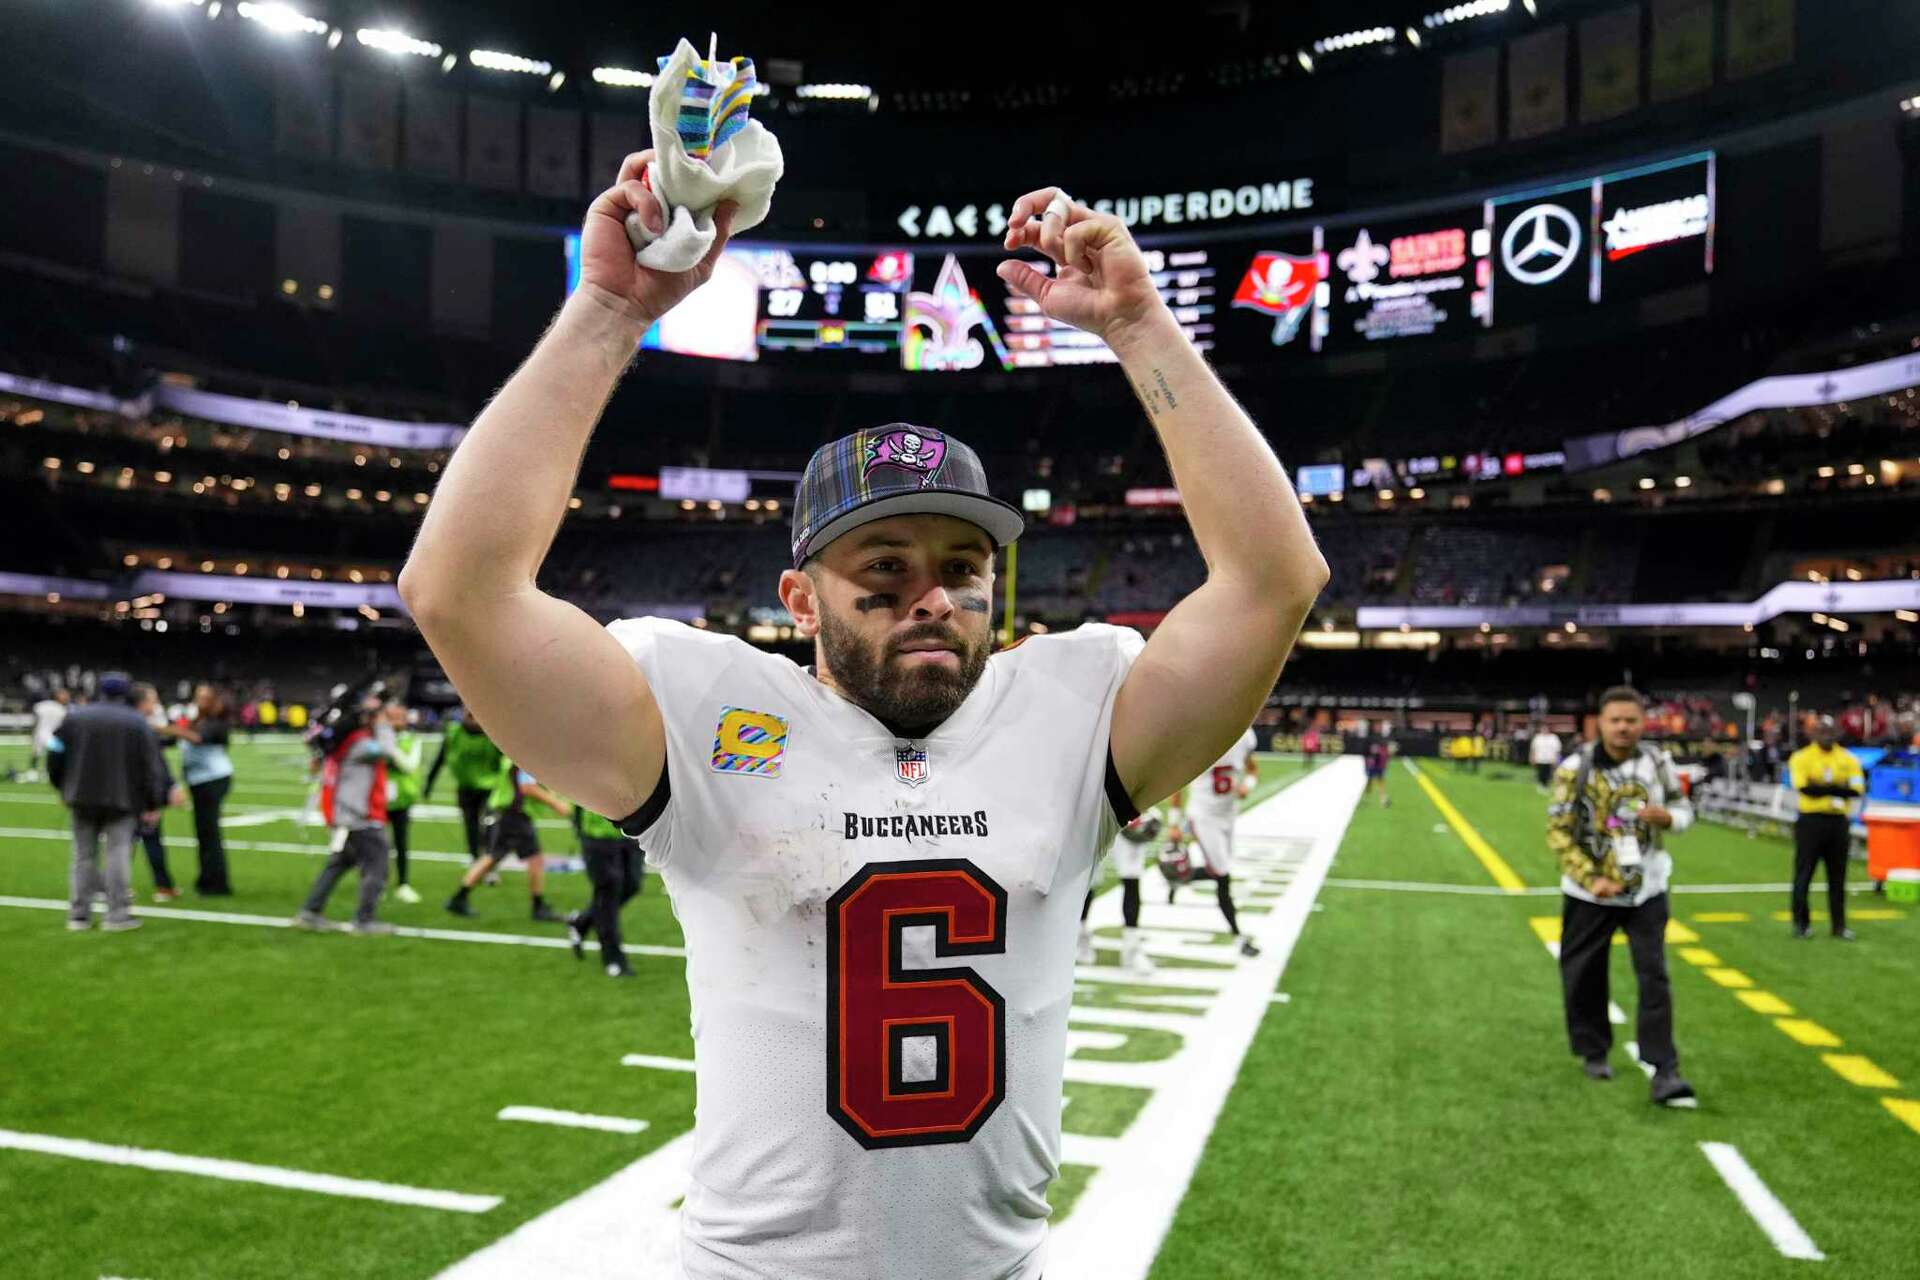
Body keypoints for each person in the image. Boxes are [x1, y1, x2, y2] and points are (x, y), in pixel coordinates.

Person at [397, 159, 1327, 1279]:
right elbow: (460, 592)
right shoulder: (706, 715)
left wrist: (1138, 324)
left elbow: (1274, 581)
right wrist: (608, 312)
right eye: (883, 569)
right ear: (802, 599)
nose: (932, 595)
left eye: (963, 565)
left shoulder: (1072, 711)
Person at [1547, 686, 1697, 1107]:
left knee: (1654, 976)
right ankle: (1594, 1049)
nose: (1623, 728)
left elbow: (1686, 810)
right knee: (1583, 974)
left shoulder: (1657, 762)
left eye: (1631, 720)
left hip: (1646, 888)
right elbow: (1557, 832)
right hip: (1588, 892)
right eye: (1615, 720)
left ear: (1642, 723)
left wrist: (1670, 818)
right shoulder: (1574, 769)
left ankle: (1664, 1068)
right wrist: (1591, 878)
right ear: (1600, 723)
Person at [45, 672, 170, 932]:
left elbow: (55, 752)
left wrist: (62, 786)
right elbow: (150, 767)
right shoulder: (136, 722)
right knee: (117, 853)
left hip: (81, 795)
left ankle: (79, 915)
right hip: (122, 798)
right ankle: (117, 915)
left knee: (83, 856)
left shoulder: (76, 716)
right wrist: (152, 802)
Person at [294, 695, 398, 935]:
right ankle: (365, 920)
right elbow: (389, 751)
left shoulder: (348, 742)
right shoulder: (361, 744)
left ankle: (309, 911)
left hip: (347, 815)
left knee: (338, 864)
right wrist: (382, 723)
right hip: (360, 818)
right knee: (377, 866)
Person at [1174, 726, 1262, 957]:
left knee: (1219, 870)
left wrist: (1248, 786)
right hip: (1204, 817)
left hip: (1228, 814)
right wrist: (1175, 823)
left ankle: (1180, 878)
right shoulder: (1201, 735)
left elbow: (1252, 769)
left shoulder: (1245, 735)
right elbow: (1177, 781)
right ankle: (1239, 937)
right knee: (1223, 875)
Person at [444, 761, 571, 922]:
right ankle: (538, 907)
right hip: (515, 814)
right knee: (534, 858)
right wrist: (556, 803)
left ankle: (459, 897)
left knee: (494, 856)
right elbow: (527, 787)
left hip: (510, 812)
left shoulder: (517, 752)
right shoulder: (524, 755)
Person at [1787, 715, 1865, 940]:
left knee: (1838, 877)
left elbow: (1856, 789)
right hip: (1811, 821)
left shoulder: (1849, 758)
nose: (1826, 736)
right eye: (1822, 731)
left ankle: (1839, 926)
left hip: (1838, 823)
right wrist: (1837, 787)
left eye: (1830, 732)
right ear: (1813, 734)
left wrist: (1821, 786)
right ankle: (1801, 924)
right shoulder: (1801, 757)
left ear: (1837, 733)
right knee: (1804, 874)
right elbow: (1804, 788)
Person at [162, 684, 235, 895]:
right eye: (198, 696)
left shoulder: (218, 722)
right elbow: (176, 739)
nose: (200, 700)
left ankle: (217, 884)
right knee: (204, 833)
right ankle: (206, 879)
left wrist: (164, 728)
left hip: (213, 779)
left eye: (205, 697)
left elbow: (198, 738)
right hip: (199, 781)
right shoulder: (197, 719)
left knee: (209, 833)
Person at [1077, 811, 1162, 975]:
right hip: (1095, 810)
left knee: (1132, 878)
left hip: (1124, 807)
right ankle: (1079, 940)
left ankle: (1132, 949)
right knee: (1088, 879)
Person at [567, 805, 646, 978]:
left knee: (632, 884)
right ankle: (613, 958)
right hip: (597, 832)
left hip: (629, 827)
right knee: (607, 895)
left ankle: (583, 922)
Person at [425, 709, 505, 864]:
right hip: (466, 787)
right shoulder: (454, 733)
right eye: (470, 714)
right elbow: (440, 759)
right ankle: (475, 859)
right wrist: (429, 783)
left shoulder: (494, 733)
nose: (473, 719)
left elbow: (507, 761)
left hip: (490, 787)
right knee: (471, 825)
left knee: (491, 824)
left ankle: (489, 862)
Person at [130, 683, 186, 900]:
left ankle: (112, 886)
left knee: (124, 842)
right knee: (149, 839)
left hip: (121, 791)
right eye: (153, 699)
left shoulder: (134, 723)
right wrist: (162, 794)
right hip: (141, 793)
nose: (156, 704)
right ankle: (163, 887)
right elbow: (155, 764)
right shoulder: (141, 727)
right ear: (142, 702)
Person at [381, 700, 426, 905]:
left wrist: (391, 751)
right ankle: (378, 883)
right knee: (378, 845)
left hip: (402, 801)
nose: (396, 721)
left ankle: (403, 884)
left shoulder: (412, 739)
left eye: (399, 717)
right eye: (391, 717)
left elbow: (409, 765)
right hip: (378, 800)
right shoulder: (378, 738)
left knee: (401, 844)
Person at [29, 687, 70, 783]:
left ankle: (33, 772)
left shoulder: (42, 706)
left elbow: (35, 720)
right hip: (52, 734)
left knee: (36, 753)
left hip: (40, 732)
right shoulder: (62, 709)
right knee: (47, 754)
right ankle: (42, 773)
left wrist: (32, 731)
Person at [1529, 723, 1563, 794]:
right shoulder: (1537, 737)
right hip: (1540, 759)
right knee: (1541, 773)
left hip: (1550, 759)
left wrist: (1557, 759)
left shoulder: (1553, 738)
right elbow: (1533, 749)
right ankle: (1541, 785)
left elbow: (1557, 749)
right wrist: (1532, 757)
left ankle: (1546, 786)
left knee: (1548, 774)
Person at [1364, 732, 1392, 807]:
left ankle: (1381, 798)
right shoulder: (1382, 750)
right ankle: (1381, 797)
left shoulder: (1382, 750)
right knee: (1377, 782)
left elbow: (1374, 758)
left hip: (1377, 768)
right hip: (1377, 768)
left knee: (1377, 782)